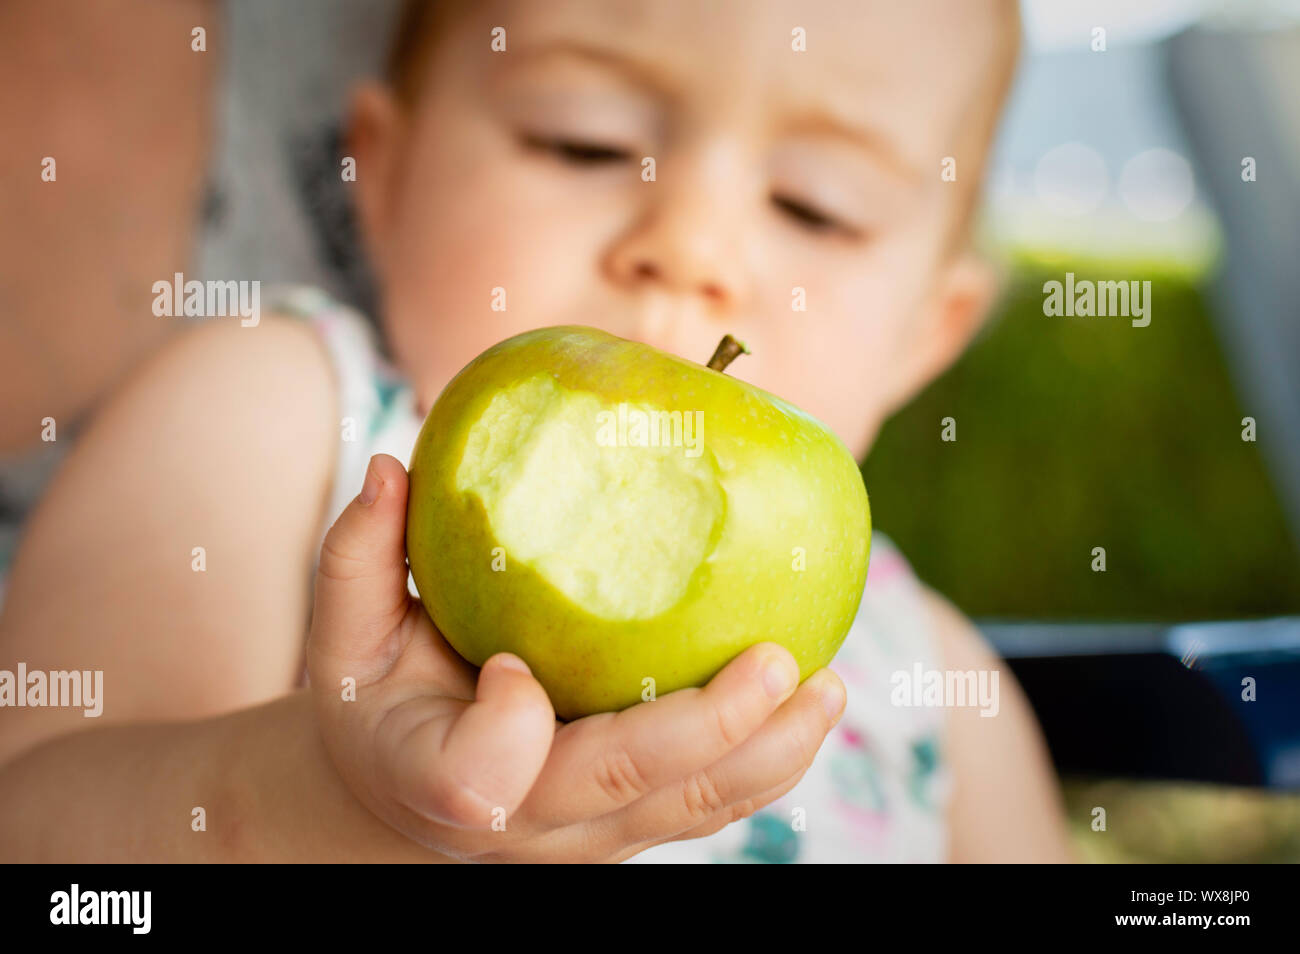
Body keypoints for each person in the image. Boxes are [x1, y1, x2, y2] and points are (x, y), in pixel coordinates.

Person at [0, 0, 1072, 862]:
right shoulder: (270, 424)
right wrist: (324, 811)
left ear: (927, 337)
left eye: (814, 207)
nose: (688, 243)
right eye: (583, 141)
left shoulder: (928, 682)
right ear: (382, 170)